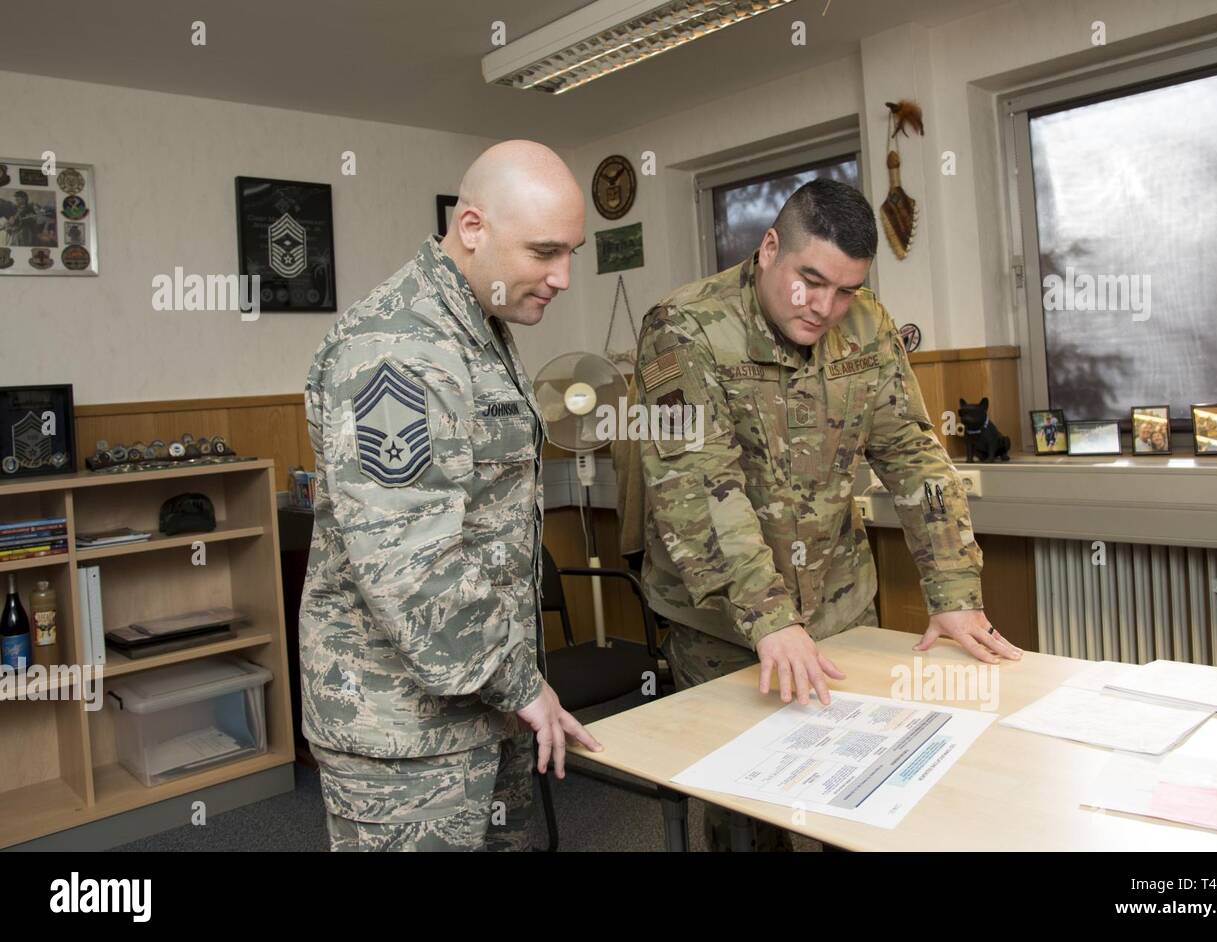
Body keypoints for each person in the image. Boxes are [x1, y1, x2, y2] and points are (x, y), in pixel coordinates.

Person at [631, 179, 1021, 850]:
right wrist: (769, 619)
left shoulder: (866, 324)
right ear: (769, 248)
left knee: (859, 794)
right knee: (751, 807)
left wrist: (953, 590)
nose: (825, 308)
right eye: (810, 281)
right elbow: (696, 485)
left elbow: (914, 459)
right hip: (727, 625)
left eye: (846, 290)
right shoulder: (685, 326)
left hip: (839, 608)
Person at [300, 140, 600, 852]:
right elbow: (412, 562)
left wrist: (515, 685)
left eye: (571, 254)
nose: (562, 277)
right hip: (405, 732)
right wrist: (523, 684)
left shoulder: (479, 322)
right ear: (473, 229)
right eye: (544, 253)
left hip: (484, 702)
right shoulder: (400, 344)